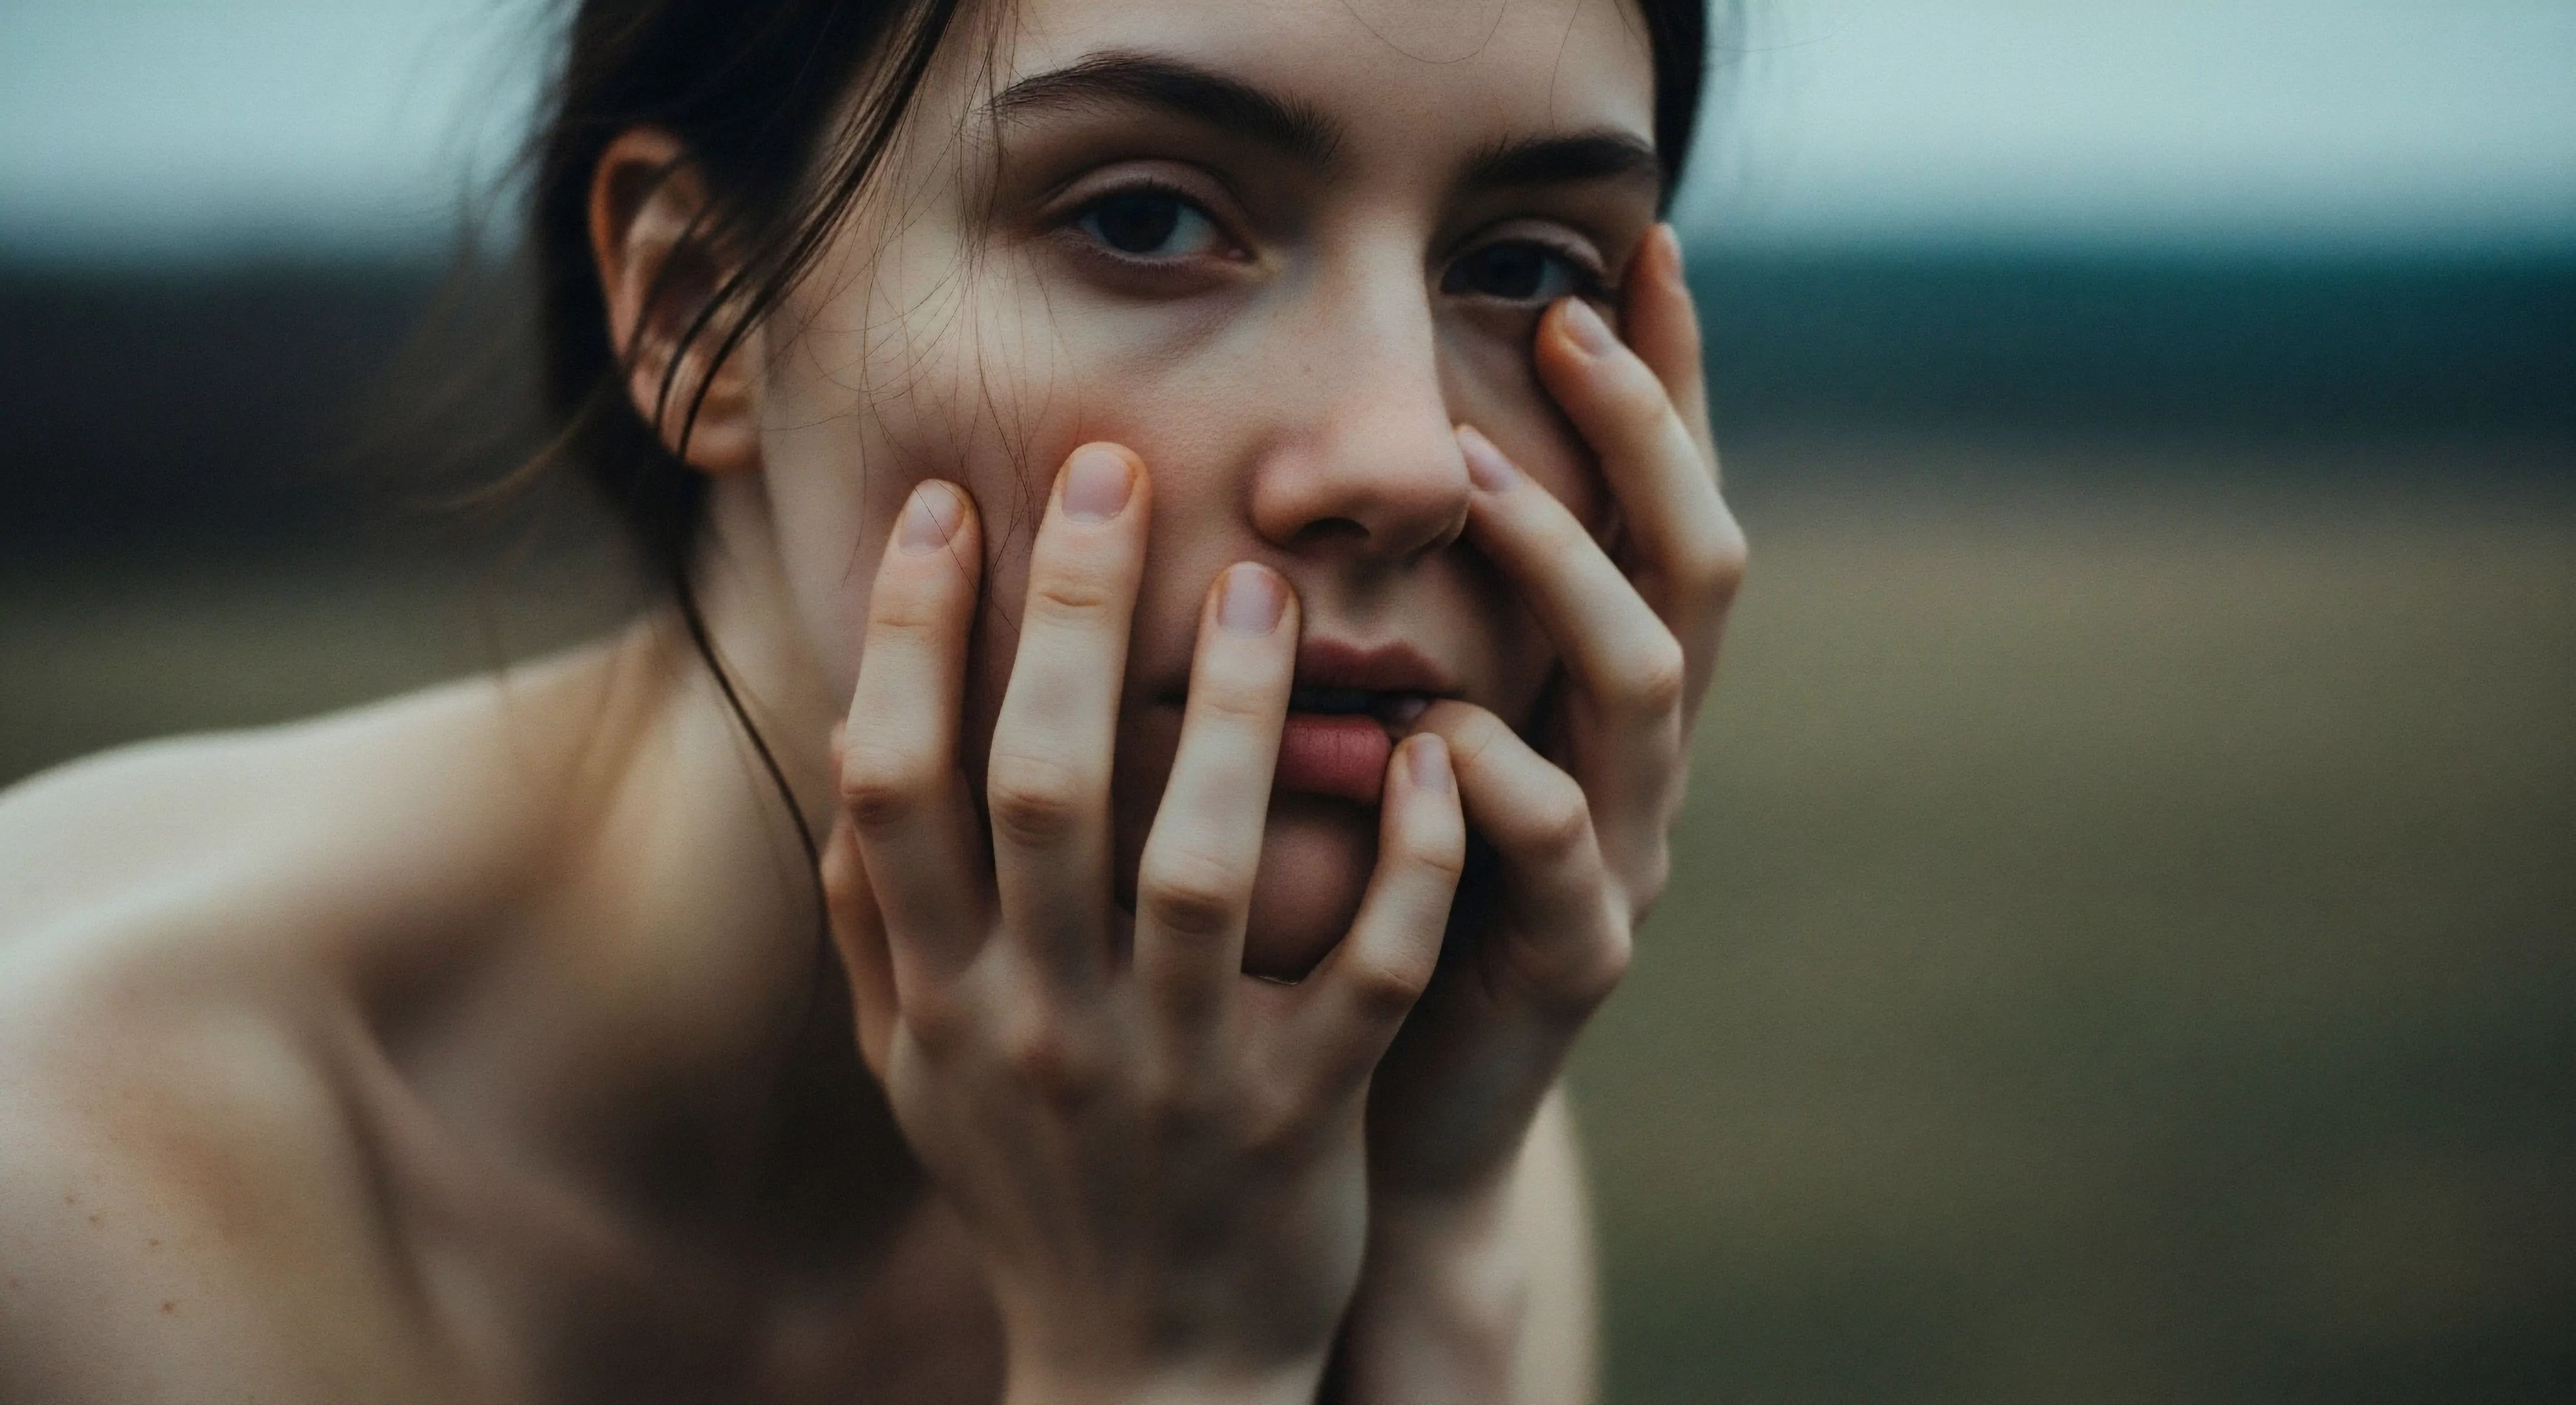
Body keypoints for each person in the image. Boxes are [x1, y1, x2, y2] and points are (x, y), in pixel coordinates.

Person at [0, 0, 1744, 1398]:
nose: (1401, 459)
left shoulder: (1352, 1095)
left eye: (1525, 268)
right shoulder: (67, 1184)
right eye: (1144, 219)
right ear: (696, 310)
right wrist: (1178, 1367)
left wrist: (1432, 1279)